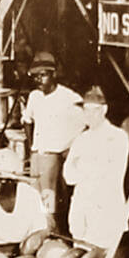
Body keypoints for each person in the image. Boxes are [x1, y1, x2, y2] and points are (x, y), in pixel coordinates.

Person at [21, 51, 84, 227]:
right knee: (35, 197)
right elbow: (27, 121)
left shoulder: (68, 97)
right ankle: (38, 229)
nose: (39, 80)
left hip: (52, 158)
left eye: (43, 75)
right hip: (36, 155)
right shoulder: (34, 96)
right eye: (35, 76)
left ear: (53, 74)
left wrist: (68, 148)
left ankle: (52, 232)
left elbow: (83, 124)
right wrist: (30, 147)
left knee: (49, 199)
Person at [63, 87, 129, 251]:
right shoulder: (81, 138)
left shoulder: (117, 136)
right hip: (81, 204)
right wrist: (89, 167)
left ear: (104, 110)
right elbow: (68, 175)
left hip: (104, 205)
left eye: (93, 111)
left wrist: (82, 166)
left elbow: (109, 172)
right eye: (85, 110)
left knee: (101, 257)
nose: (88, 115)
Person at [0, 147, 49, 246]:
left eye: (2, 179)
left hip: (29, 250)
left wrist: (30, 246)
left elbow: (41, 228)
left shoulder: (30, 195)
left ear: (13, 181)